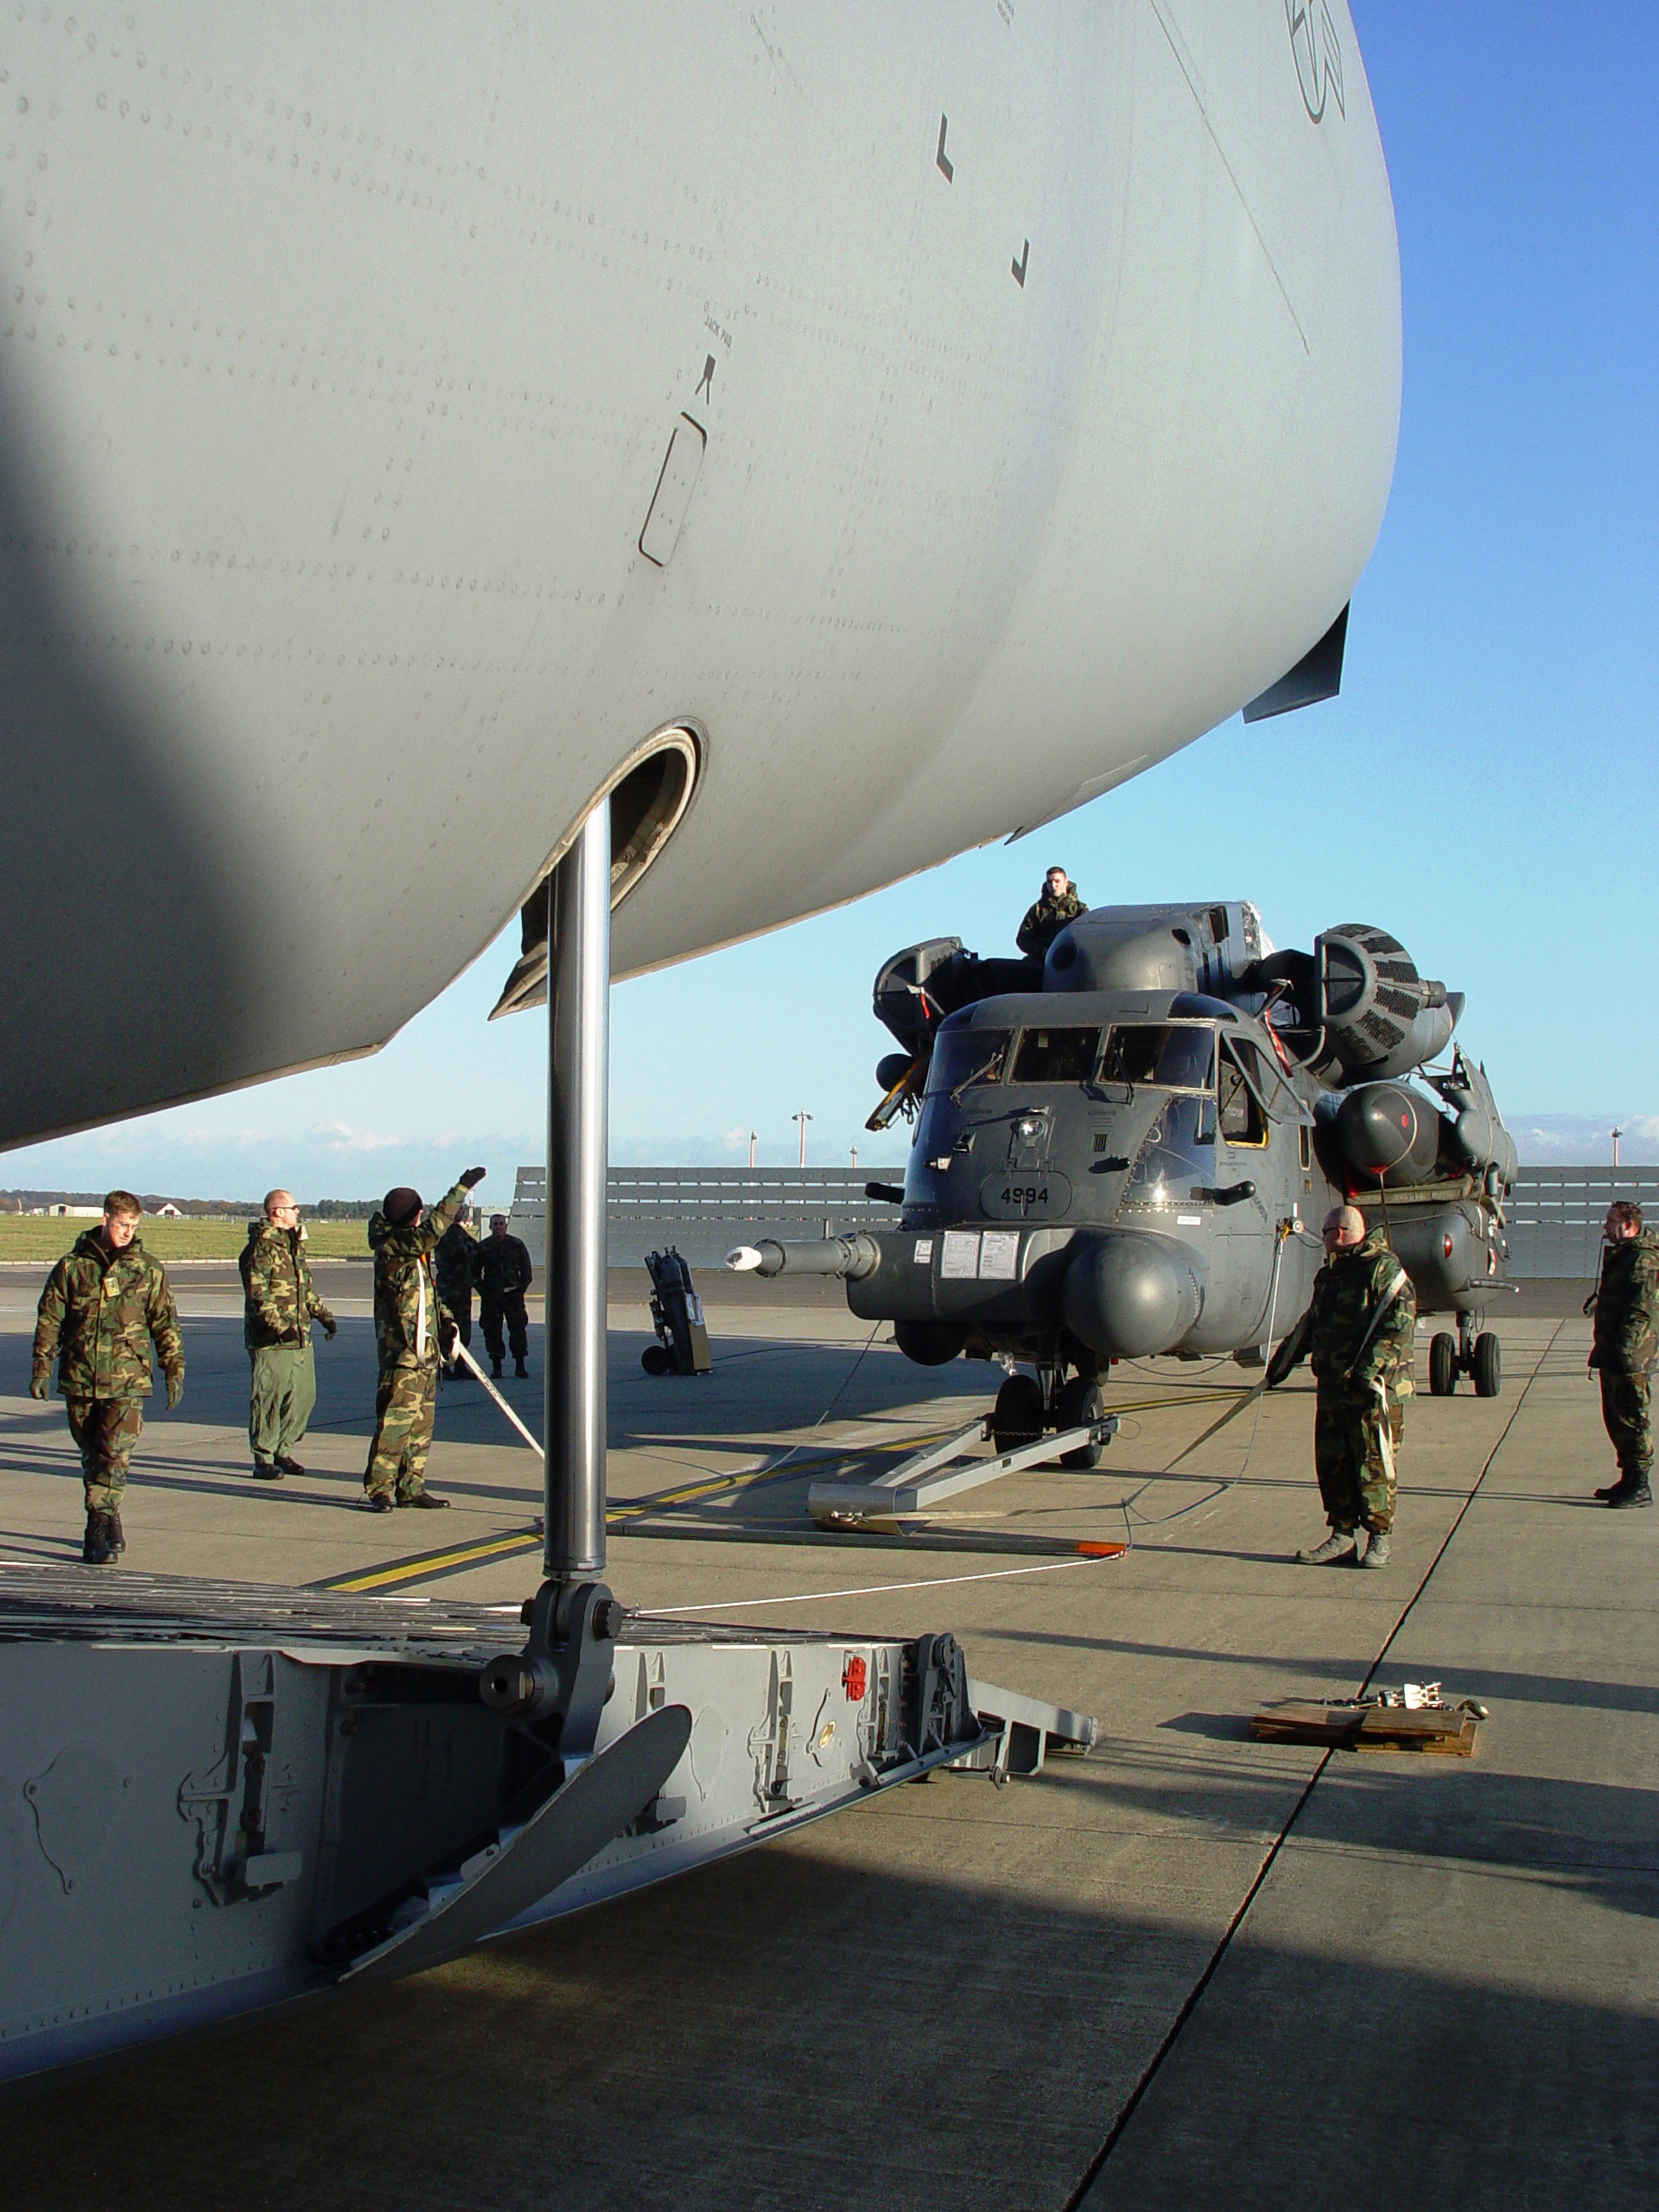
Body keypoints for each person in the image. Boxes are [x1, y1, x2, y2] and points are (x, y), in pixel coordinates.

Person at [29, 1189, 184, 1565]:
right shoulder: (72, 1268)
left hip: (127, 1379)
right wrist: (41, 1365)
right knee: (92, 1453)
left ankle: (96, 1527)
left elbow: (164, 1321)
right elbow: (50, 1318)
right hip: (80, 1375)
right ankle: (109, 1511)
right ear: (105, 1220)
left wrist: (173, 1366)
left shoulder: (147, 1269)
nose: (128, 1232)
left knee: (115, 1454)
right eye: (121, 1224)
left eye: (133, 1225)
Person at [1267, 1203, 1416, 1569]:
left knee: (1373, 1464)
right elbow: (1312, 1323)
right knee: (1334, 1462)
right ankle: (1343, 1535)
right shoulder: (1331, 1275)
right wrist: (1280, 1366)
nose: (1323, 1241)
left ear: (1343, 1233)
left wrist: (1366, 1373)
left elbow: (1398, 1324)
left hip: (1372, 1393)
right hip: (1334, 1389)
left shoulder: (1385, 1271)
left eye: (1325, 1233)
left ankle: (1379, 1539)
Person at [364, 1169, 486, 1512]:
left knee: (420, 1426)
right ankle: (379, 1488)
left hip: (425, 1352)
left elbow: (426, 1295)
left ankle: (410, 1485)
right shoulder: (396, 1244)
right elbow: (434, 1230)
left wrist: (446, 1321)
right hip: (403, 1354)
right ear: (414, 1214)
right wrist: (461, 1189)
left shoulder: (414, 1252)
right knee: (395, 1424)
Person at [239, 1189, 337, 1479]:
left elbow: (305, 1288)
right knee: (269, 1399)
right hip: (271, 1341)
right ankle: (264, 1456)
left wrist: (323, 1316)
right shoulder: (261, 1248)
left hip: (300, 1337)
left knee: (303, 1397)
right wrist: (282, 1327)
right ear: (277, 1212)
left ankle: (284, 1449)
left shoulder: (293, 1246)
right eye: (293, 1208)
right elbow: (259, 1296)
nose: (298, 1212)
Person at [1585, 1198, 1659, 1508]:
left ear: (1628, 1225)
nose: (1605, 1225)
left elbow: (1640, 1311)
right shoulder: (1624, 1255)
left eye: (1611, 1220)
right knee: (1616, 1416)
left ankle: (1640, 1484)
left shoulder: (1642, 1259)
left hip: (1631, 1353)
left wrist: (1625, 1351)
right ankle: (1628, 1478)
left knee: (1633, 1416)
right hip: (1615, 1348)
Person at [474, 1211, 534, 1379]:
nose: (498, 1227)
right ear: (490, 1227)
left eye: (501, 1224)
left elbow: (526, 1270)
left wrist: (520, 1289)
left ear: (506, 1226)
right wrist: (484, 1291)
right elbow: (474, 1272)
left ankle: (520, 1365)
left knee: (518, 1330)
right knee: (492, 1331)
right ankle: (496, 1366)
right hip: (492, 1297)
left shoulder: (517, 1245)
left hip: (513, 1296)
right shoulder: (484, 1247)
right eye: (495, 1224)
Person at [434, 1203, 479, 1380]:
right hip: (450, 1287)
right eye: (459, 1210)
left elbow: (474, 1247)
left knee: (463, 1328)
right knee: (448, 1327)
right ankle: (444, 1365)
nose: (461, 1213)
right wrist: (469, 1250)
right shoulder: (446, 1233)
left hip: (462, 1286)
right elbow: (460, 1252)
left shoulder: (459, 1232)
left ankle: (460, 1364)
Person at [1016, 864, 1088, 960]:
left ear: (1066, 882)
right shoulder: (1038, 910)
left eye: (1057, 881)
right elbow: (1023, 939)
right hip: (1043, 962)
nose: (1053, 886)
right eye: (1050, 882)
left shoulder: (1079, 909)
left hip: (1071, 960)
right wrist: (1042, 951)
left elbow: (1088, 936)